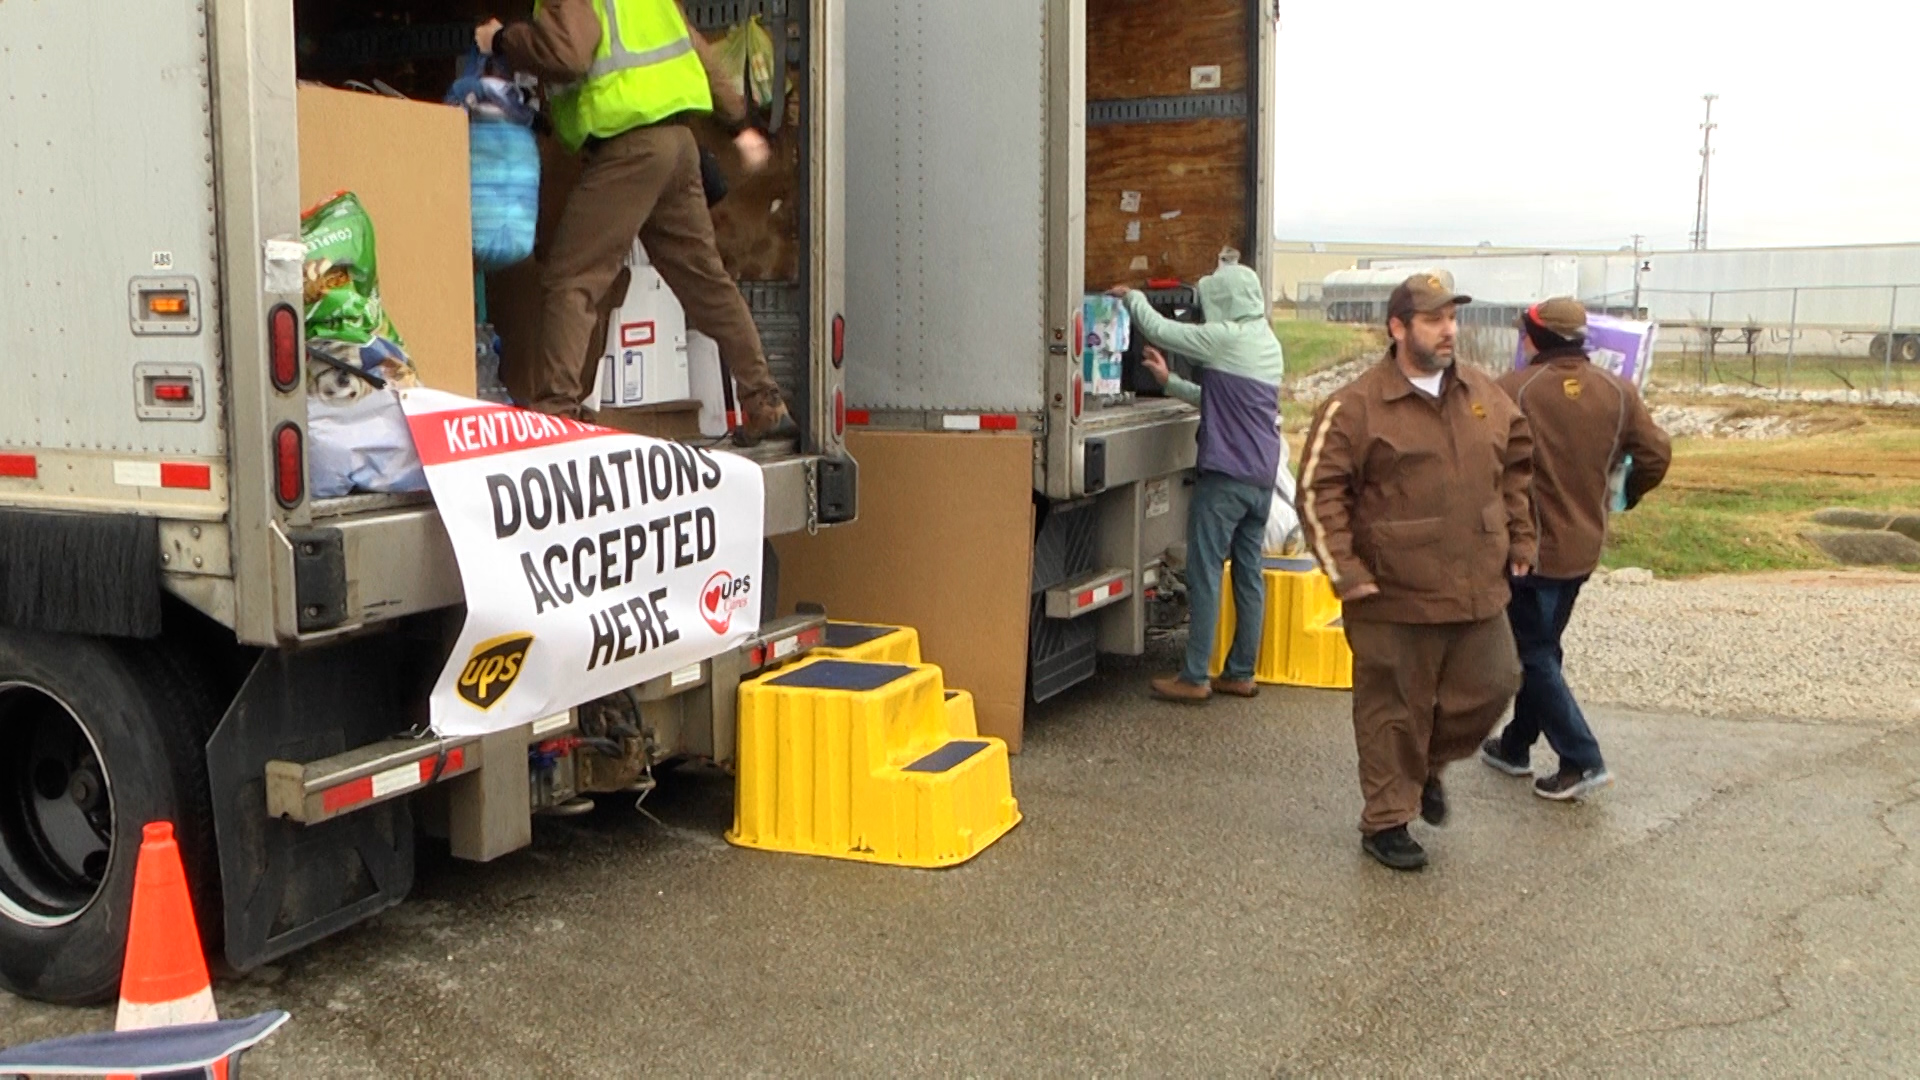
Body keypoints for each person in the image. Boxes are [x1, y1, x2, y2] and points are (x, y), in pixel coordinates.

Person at [1297, 272, 1536, 871]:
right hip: (1390, 595)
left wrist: (1520, 535)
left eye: (1452, 317)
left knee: (1497, 682)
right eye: (1433, 319)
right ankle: (1386, 820)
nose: (1449, 329)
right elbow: (1317, 492)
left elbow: (1515, 466)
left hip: (1476, 586)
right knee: (1391, 710)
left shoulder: (1484, 394)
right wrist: (1346, 573)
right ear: (1398, 327)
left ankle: (1426, 767)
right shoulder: (1354, 407)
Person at [479, 1, 796, 444]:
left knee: (572, 279)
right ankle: (764, 402)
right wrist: (739, 123)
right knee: (706, 282)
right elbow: (699, 51)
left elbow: (567, 54)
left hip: (629, 149)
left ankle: (554, 416)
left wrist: (502, 40)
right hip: (678, 146)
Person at [1481, 298, 1671, 800]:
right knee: (1543, 647)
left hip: (1529, 548)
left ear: (1535, 339)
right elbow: (1655, 454)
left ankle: (1581, 759)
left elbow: (1482, 466)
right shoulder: (1618, 390)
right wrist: (1623, 497)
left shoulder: (1511, 390)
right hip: (1585, 546)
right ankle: (1517, 744)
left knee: (1533, 651)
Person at [1117, 251, 1285, 703]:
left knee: (1205, 570)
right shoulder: (1266, 342)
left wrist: (1133, 297)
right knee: (1249, 574)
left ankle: (1194, 676)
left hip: (1225, 476)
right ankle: (1240, 672)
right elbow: (1218, 396)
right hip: (1261, 480)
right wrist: (1170, 382)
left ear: (1225, 301)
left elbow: (1161, 329)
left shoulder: (1225, 337)